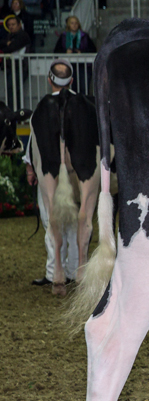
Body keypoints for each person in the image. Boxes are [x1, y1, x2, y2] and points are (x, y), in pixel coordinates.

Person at [23, 59, 80, 287]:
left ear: (49, 80)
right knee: (75, 221)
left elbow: (34, 141)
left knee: (51, 220)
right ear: (72, 81)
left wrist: (30, 167)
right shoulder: (82, 106)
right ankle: (74, 271)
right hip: (77, 173)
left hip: (49, 171)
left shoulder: (42, 108)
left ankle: (53, 272)